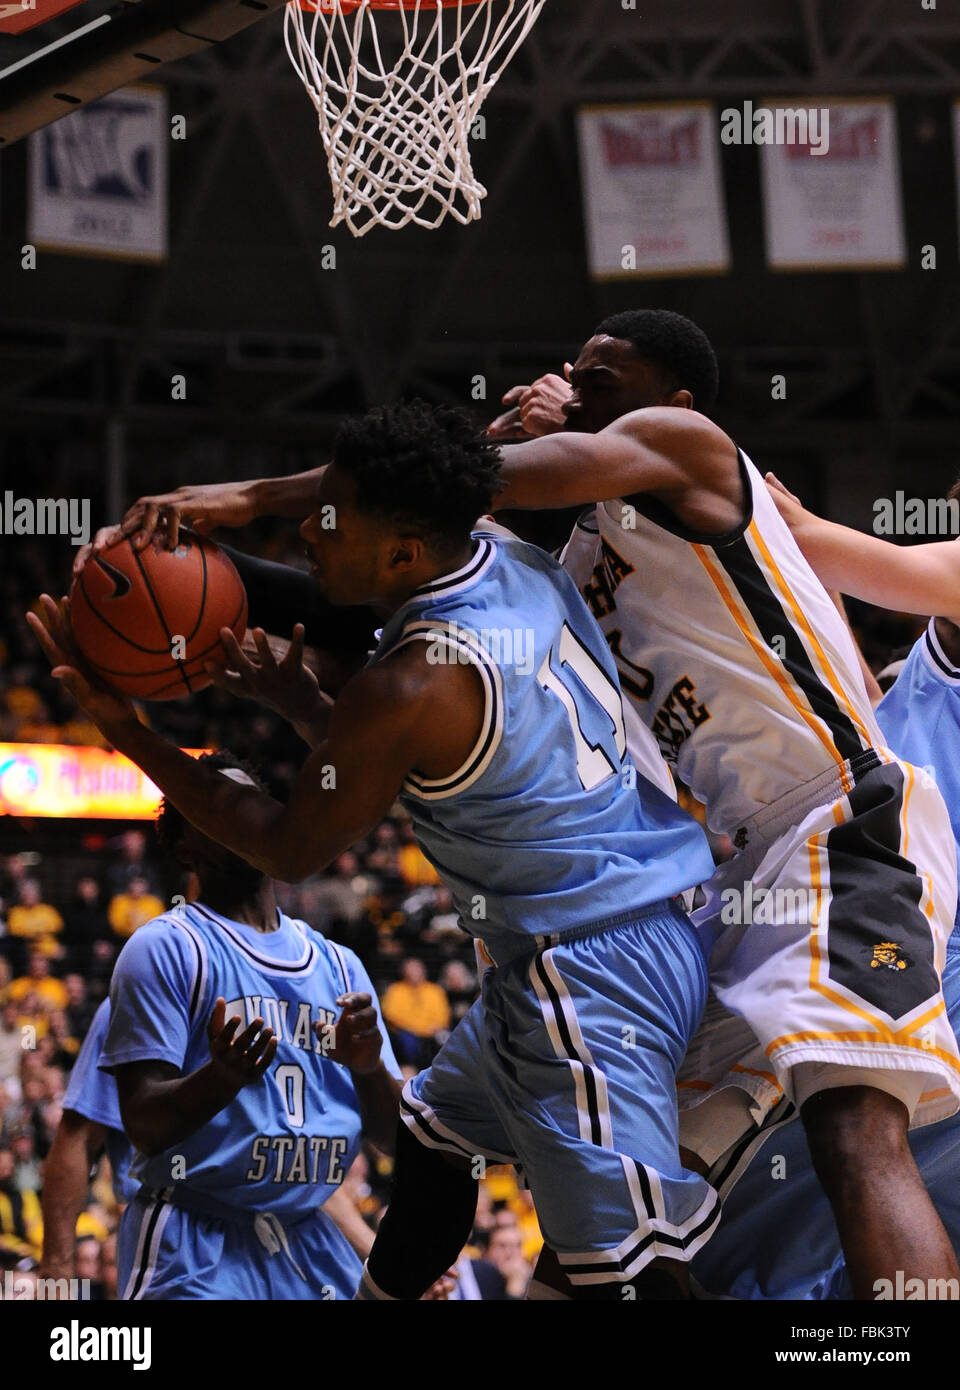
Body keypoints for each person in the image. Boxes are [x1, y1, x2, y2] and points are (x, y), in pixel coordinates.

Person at [33, 401, 719, 1300]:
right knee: (437, 1142)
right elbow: (432, 767)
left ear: (399, 550)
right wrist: (250, 519)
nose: (309, 533)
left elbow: (290, 842)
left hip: (591, 973)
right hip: (606, 923)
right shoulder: (498, 551)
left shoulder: (414, 677)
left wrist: (128, 731)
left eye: (331, 520)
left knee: (630, 1272)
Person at [478, 308, 960, 1299]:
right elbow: (796, 573)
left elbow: (841, 551)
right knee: (668, 1195)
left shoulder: (937, 575)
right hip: (778, 877)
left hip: (876, 884)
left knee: (852, 1141)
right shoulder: (893, 673)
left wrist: (593, 438)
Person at [686, 475, 960, 1300]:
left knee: (763, 1211)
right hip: (914, 917)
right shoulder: (923, 657)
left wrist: (707, 470)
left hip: (926, 940)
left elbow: (794, 548)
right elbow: (862, 726)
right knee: (871, 1231)